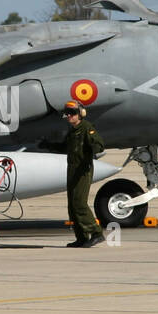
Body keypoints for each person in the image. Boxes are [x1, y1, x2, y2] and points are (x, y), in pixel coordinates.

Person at [41, 100, 106, 247]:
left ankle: (96, 233)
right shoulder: (72, 130)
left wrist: (93, 148)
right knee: (72, 205)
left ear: (80, 114)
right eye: (67, 113)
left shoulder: (86, 128)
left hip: (83, 169)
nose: (69, 116)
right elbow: (65, 147)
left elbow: (99, 145)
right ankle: (82, 237)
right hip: (72, 169)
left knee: (79, 203)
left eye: (72, 113)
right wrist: (48, 145)